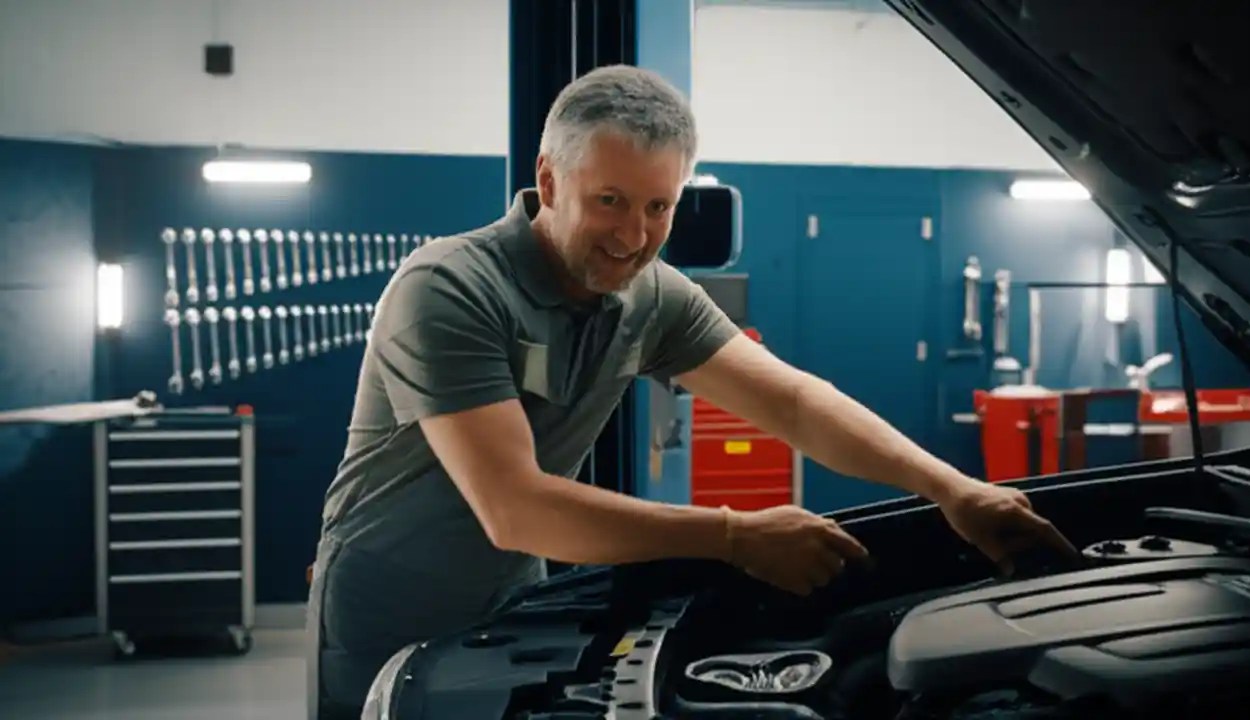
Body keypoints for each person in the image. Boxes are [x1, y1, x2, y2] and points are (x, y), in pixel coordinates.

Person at [304, 64, 1077, 719]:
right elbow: (516, 507)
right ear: (548, 181)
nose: (634, 236)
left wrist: (950, 488)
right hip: (389, 608)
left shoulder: (649, 293)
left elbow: (794, 403)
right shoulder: (450, 287)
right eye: (610, 200)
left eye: (658, 206)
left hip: (512, 598)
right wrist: (736, 536)